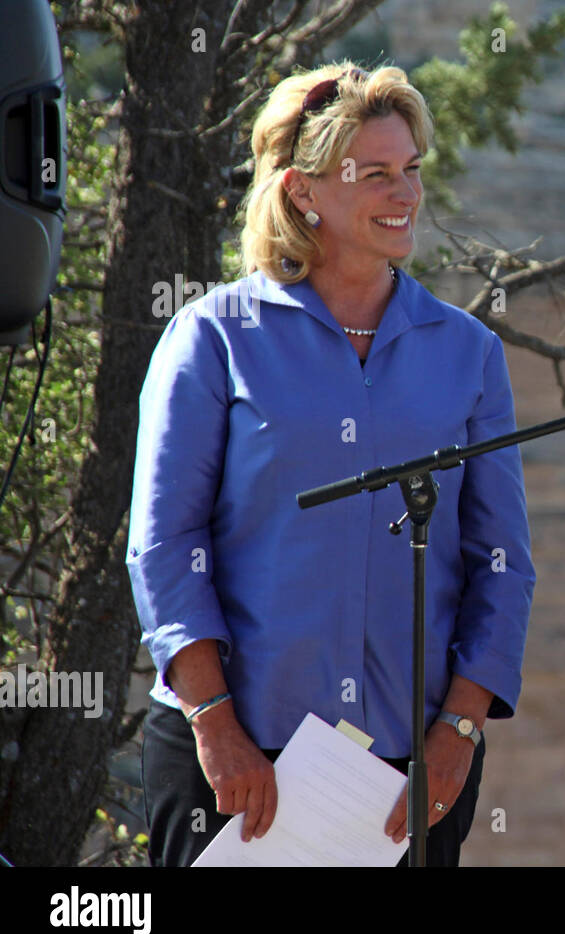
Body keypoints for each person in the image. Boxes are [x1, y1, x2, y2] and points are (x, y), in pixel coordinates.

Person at [127, 63, 535, 867]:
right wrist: (215, 724)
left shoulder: (469, 353)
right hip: (238, 763)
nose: (405, 194)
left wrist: (459, 732)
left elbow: (503, 564)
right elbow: (165, 545)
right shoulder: (213, 338)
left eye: (412, 170)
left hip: (405, 776)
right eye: (376, 174)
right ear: (304, 191)